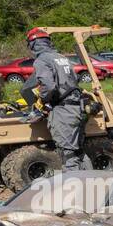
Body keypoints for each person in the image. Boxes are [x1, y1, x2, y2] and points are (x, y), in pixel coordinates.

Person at [23, 27, 87, 171]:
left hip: (63, 111)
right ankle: (91, 182)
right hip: (77, 107)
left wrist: (42, 100)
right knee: (78, 151)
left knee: (68, 155)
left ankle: (76, 189)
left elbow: (48, 85)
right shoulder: (61, 57)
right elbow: (74, 79)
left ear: (33, 44)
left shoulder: (41, 60)